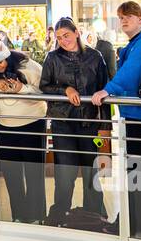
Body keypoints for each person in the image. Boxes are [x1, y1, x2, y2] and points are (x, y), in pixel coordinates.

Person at [91, 2, 141, 235]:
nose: (124, 21)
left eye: (129, 17)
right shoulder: (138, 42)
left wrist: (108, 90)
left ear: (140, 18)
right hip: (136, 114)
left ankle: (132, 222)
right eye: (121, 17)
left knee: (137, 171)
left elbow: (131, 72)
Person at [40, 19, 108, 217]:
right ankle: (60, 214)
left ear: (77, 33)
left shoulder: (95, 57)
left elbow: (105, 91)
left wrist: (105, 126)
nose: (63, 40)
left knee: (91, 170)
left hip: (89, 123)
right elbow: (44, 86)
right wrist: (65, 90)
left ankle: (94, 215)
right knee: (65, 172)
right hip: (62, 123)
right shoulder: (52, 58)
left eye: (66, 35)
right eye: (59, 37)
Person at [0, 38, 47, 224]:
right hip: (4, 125)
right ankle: (18, 215)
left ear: (8, 57)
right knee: (11, 174)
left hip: (32, 124)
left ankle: (36, 216)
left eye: (0, 62)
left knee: (34, 173)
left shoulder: (30, 66)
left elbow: (43, 92)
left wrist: (21, 88)